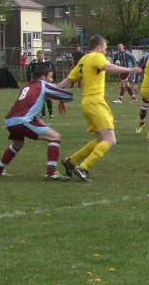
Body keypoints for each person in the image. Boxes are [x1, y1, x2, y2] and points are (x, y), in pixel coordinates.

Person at [57, 35, 142, 182]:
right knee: (110, 140)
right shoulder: (96, 56)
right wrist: (130, 69)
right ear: (99, 47)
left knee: (101, 139)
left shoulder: (84, 59)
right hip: (95, 103)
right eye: (105, 48)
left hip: (87, 103)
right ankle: (83, 167)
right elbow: (108, 67)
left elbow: (69, 79)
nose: (105, 51)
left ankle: (70, 162)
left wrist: (56, 92)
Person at [0, 72, 75, 181]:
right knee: (55, 137)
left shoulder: (28, 86)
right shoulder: (42, 84)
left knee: (18, 144)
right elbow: (68, 95)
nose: (52, 80)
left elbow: (30, 109)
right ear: (43, 76)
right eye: (50, 77)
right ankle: (51, 174)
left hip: (10, 120)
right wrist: (63, 99)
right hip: (22, 121)